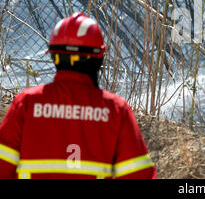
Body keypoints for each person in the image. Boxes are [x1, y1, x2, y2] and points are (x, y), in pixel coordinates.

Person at [0, 12, 157, 179]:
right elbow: (139, 175)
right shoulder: (115, 110)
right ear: (98, 57)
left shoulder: (27, 103)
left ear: (54, 56)